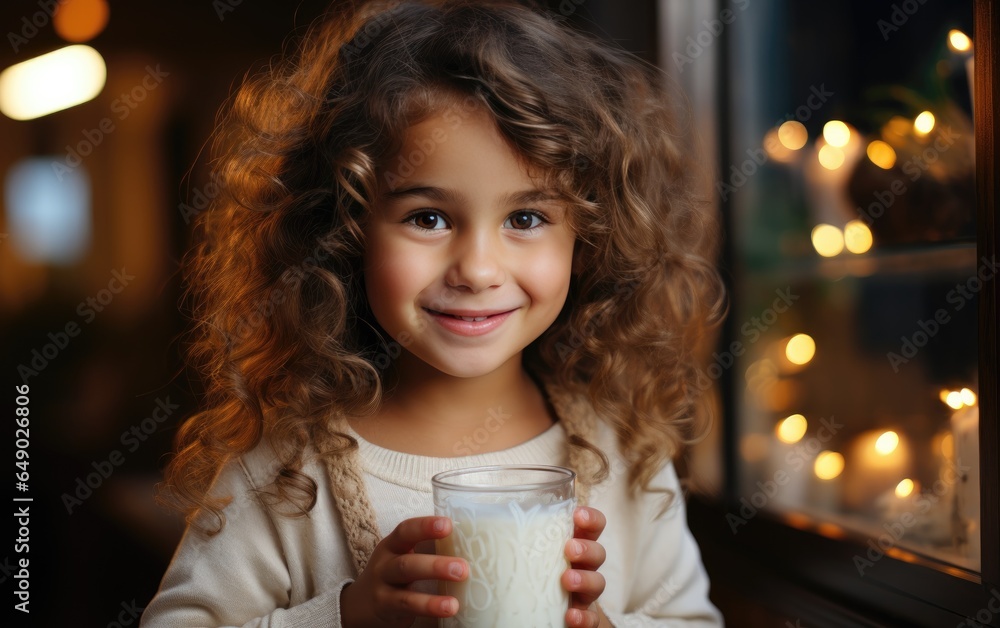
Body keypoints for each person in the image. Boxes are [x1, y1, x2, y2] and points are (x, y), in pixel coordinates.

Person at [141, 0, 726, 626]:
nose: (477, 269)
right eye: (429, 218)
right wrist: (346, 616)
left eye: (525, 219)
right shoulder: (283, 470)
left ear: (588, 240)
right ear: (346, 229)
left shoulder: (625, 452)